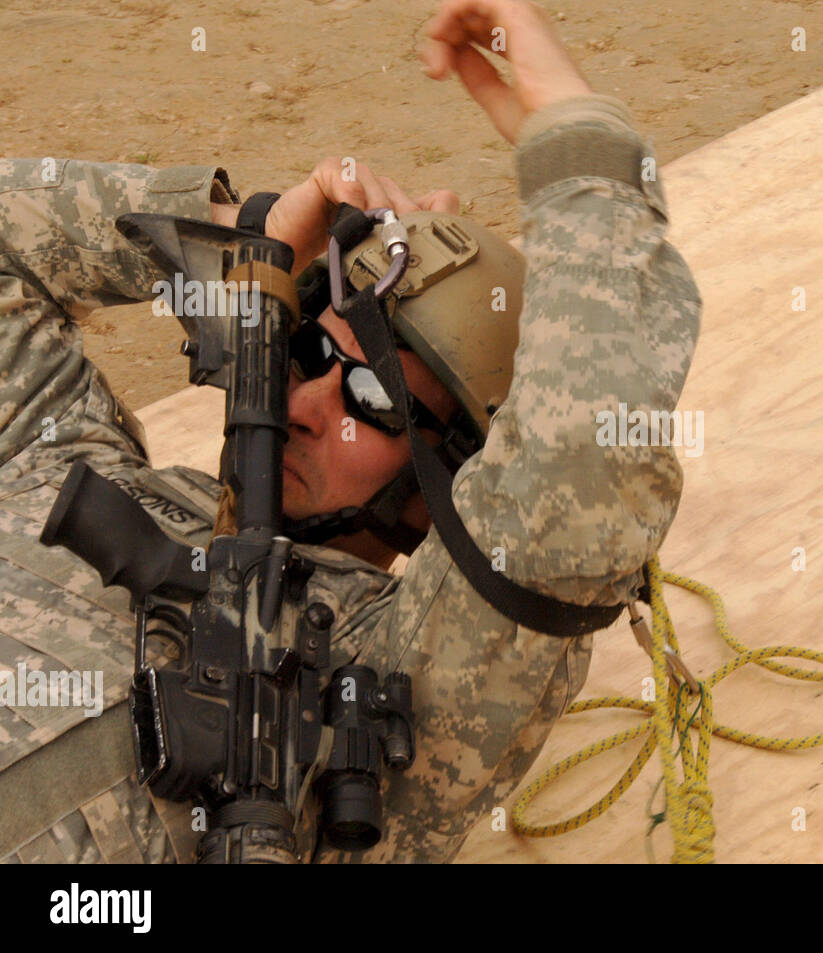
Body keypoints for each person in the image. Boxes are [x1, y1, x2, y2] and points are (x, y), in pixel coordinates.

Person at [0, 0, 700, 863]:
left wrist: (579, 145)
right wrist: (243, 243)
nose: (303, 402)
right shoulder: (74, 459)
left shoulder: (389, 684)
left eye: (370, 398)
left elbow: (583, 462)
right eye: (303, 348)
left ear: (441, 490)